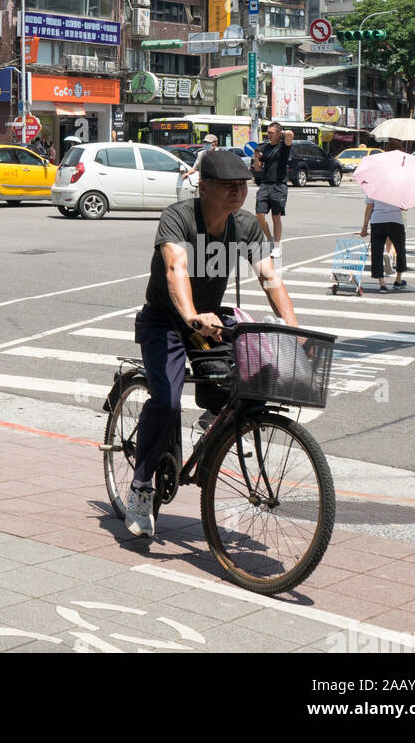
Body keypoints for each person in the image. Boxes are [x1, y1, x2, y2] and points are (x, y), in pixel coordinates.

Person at [125, 149, 300, 538]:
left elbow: (269, 276)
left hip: (211, 323)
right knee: (167, 400)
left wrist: (292, 327)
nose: (239, 192)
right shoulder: (180, 216)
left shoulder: (246, 225)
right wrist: (190, 316)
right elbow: (175, 267)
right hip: (167, 319)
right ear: (203, 187)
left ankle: (213, 422)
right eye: (228, 186)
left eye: (242, 185)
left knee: (249, 387)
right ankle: (140, 486)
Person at [251, 122, 294, 258]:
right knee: (259, 215)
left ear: (279, 133)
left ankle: (277, 246)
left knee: (276, 216)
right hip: (265, 184)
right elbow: (258, 168)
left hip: (279, 185)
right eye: (267, 132)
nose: (268, 135)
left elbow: (290, 134)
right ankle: (269, 239)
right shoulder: (264, 147)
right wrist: (257, 157)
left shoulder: (284, 146)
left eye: (271, 132)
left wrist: (283, 133)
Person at [360, 187, 408, 292]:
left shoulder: (374, 187)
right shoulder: (399, 188)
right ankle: (398, 280)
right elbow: (405, 208)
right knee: (400, 250)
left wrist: (364, 226)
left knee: (377, 252)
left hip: (377, 221)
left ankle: (382, 283)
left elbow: (369, 207)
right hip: (395, 221)